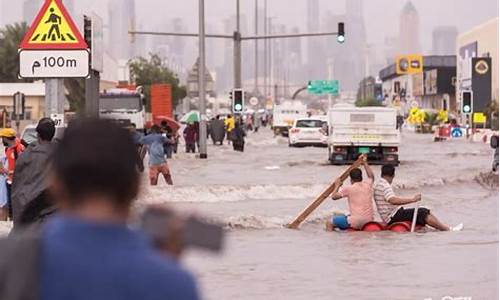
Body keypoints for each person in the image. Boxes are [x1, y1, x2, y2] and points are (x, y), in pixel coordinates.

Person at [0, 118, 200, 300]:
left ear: (56, 184)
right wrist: (165, 267)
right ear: (136, 188)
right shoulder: (172, 282)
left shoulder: (9, 260)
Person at [374, 164, 463, 231]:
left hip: (390, 216)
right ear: (393, 175)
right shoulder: (385, 186)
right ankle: (447, 229)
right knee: (422, 212)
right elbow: (392, 200)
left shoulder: (379, 184)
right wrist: (412, 199)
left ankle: (438, 227)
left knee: (420, 211)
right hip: (392, 217)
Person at [11, 118, 57, 229]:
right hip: (52, 218)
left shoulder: (26, 156)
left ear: (37, 134)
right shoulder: (61, 156)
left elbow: (17, 185)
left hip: (28, 216)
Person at [326, 155, 375, 231]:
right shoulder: (368, 185)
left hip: (356, 222)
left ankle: (333, 239)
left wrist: (337, 185)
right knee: (346, 215)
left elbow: (334, 197)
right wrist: (365, 162)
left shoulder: (349, 188)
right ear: (361, 177)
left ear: (351, 179)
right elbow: (371, 176)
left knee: (329, 222)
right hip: (369, 221)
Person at [0, 128, 25, 220]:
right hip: (9, 181)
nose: (2, 140)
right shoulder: (8, 149)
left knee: (15, 205)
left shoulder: (20, 149)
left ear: (6, 138)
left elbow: (23, 167)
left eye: (2, 138)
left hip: (17, 182)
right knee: (9, 204)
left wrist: (8, 172)